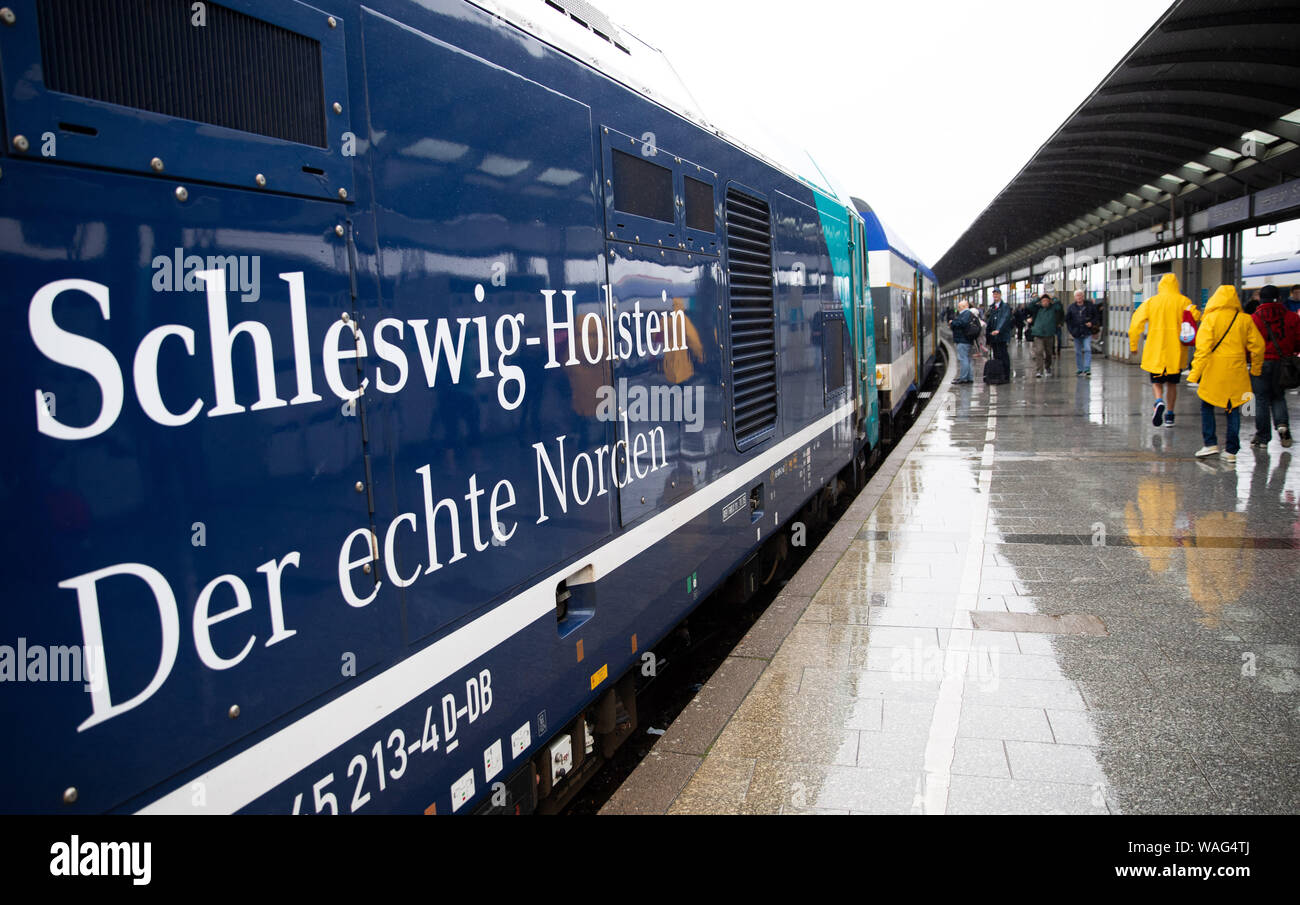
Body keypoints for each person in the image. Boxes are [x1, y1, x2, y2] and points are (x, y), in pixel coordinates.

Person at [1188, 285, 1265, 463]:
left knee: (1207, 406)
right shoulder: (1245, 320)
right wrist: (1256, 369)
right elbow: (1258, 347)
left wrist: (1194, 373)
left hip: (1214, 371)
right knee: (1232, 409)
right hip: (1236, 371)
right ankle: (1231, 451)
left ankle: (1210, 443)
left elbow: (1203, 349)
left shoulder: (1210, 319)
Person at [1128, 273, 1197, 427]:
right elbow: (1196, 316)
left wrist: (1133, 345)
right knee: (1172, 384)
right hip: (1175, 352)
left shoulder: (1151, 302)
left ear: (1160, 286)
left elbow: (1135, 324)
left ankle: (1159, 400)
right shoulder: (1184, 301)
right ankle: (1170, 416)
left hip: (1156, 351)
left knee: (1156, 381)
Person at [1249, 284, 1299, 448]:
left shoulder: (1254, 319)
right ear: (1280, 298)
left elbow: (1247, 344)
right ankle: (1282, 425)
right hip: (1283, 363)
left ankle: (1263, 438)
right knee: (1278, 396)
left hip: (1260, 363)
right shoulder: (1292, 317)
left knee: (1261, 399)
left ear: (1261, 299)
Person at [1025, 294, 1064, 377]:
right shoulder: (1037, 309)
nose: (1045, 302)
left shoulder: (1053, 308)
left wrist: (1053, 297)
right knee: (1039, 351)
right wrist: (1038, 298)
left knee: (1048, 352)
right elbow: (1030, 306)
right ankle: (1039, 370)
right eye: (1043, 301)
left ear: (1049, 301)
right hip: (1038, 334)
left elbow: (1059, 306)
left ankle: (1048, 367)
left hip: (1049, 334)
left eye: (1046, 301)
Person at [1065, 290, 1100, 376]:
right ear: (1075, 297)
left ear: (1083, 296)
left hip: (1087, 331)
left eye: (1080, 295)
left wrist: (1091, 323)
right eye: (1077, 296)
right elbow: (1068, 320)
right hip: (1076, 332)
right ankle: (1080, 368)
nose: (1079, 297)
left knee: (1087, 349)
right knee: (1078, 351)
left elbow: (1096, 316)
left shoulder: (1089, 306)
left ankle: (1087, 368)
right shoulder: (1071, 308)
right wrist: (1071, 331)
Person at [986, 289, 1012, 378]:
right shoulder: (992, 307)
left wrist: (998, 330)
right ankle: (999, 373)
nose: (995, 296)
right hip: (993, 336)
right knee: (996, 355)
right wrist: (988, 336)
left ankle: (1006, 374)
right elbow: (989, 321)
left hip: (1001, 335)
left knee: (1003, 354)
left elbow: (1004, 318)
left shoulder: (1005, 306)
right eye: (994, 294)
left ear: (1000, 295)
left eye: (997, 294)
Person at [951, 299, 977, 384]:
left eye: (960, 307)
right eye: (958, 307)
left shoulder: (966, 314)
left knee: (963, 359)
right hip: (966, 340)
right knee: (967, 359)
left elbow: (961, 323)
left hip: (963, 340)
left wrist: (952, 322)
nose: (958, 308)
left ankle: (963, 378)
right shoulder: (967, 314)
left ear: (966, 306)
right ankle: (969, 377)